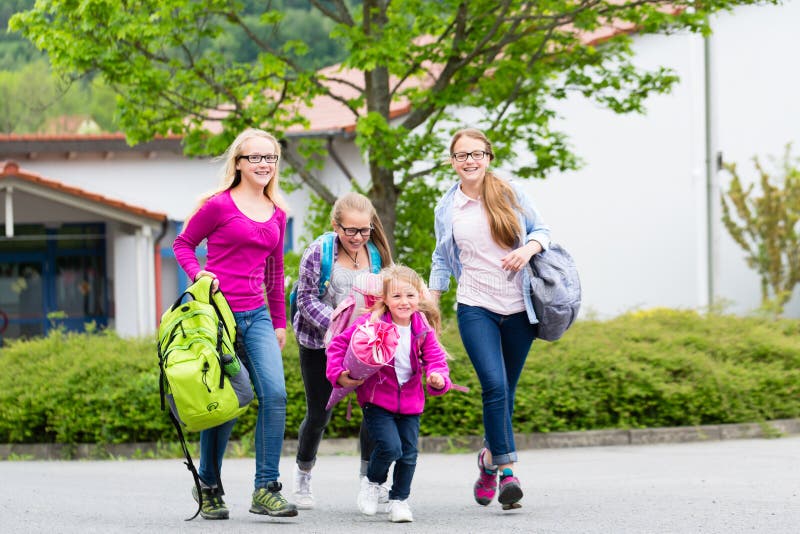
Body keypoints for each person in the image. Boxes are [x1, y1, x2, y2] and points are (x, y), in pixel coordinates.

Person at [173, 128, 297, 520]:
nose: (264, 164)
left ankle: (266, 488)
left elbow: (275, 273)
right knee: (222, 404)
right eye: (256, 157)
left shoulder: (278, 212)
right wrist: (198, 277)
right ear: (239, 163)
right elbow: (183, 244)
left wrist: (279, 322)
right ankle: (208, 485)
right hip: (216, 317)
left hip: (257, 315)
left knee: (275, 395)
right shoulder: (218, 206)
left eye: (270, 157)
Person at [429, 128, 551, 511]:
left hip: (519, 309)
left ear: (488, 157)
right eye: (461, 155)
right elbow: (440, 258)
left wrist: (528, 250)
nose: (469, 161)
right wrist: (432, 302)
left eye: (476, 154)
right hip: (475, 306)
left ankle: (486, 462)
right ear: (452, 162)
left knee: (507, 393)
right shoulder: (447, 208)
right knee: (494, 386)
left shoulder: (510, 193)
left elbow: (543, 231)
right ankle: (508, 471)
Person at [326, 264, 452, 523]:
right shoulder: (371, 323)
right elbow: (339, 343)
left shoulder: (422, 328)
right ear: (384, 299)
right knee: (390, 447)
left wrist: (438, 377)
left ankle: (399, 500)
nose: (404, 302)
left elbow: (437, 359)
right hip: (376, 400)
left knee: (408, 453)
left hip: (411, 402)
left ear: (419, 296)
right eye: (396, 296)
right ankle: (373, 482)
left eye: (410, 295)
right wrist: (337, 373)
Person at [292, 192, 392, 509]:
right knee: (320, 414)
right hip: (320, 343)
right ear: (336, 225)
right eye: (351, 231)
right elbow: (306, 300)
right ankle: (303, 476)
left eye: (365, 230)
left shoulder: (376, 255)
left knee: (373, 413)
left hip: (364, 347)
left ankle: (369, 481)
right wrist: (339, 327)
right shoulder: (317, 253)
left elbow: (385, 298)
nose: (358, 237)